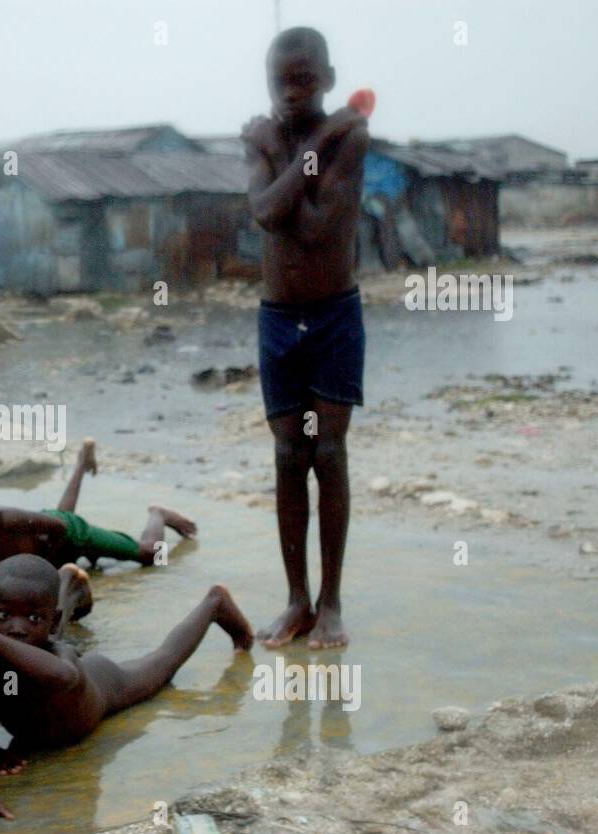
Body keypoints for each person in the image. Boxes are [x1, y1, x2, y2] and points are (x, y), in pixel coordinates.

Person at [0, 554, 254, 833]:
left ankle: (214, 603)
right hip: (30, 672)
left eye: (33, 618)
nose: (16, 628)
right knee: (8, 664)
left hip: (102, 685)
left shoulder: (61, 655)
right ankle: (68, 584)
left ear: (54, 622)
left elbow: (63, 676)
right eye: (4, 615)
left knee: (163, 663)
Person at [241, 26, 369, 650]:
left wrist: (301, 151)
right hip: (277, 317)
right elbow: (265, 213)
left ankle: (332, 602)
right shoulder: (270, 138)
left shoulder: (354, 138)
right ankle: (296, 601)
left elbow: (318, 229)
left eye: (304, 79)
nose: (291, 93)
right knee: (289, 455)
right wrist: (313, 147)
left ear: (327, 78)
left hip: (333, 316)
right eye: (280, 82)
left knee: (329, 454)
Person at [0, 439, 196, 570]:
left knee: (153, 557)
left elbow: (58, 525)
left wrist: (52, 568)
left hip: (71, 533)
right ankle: (81, 461)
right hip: (45, 531)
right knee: (60, 513)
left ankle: (158, 515)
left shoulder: (4, 519)